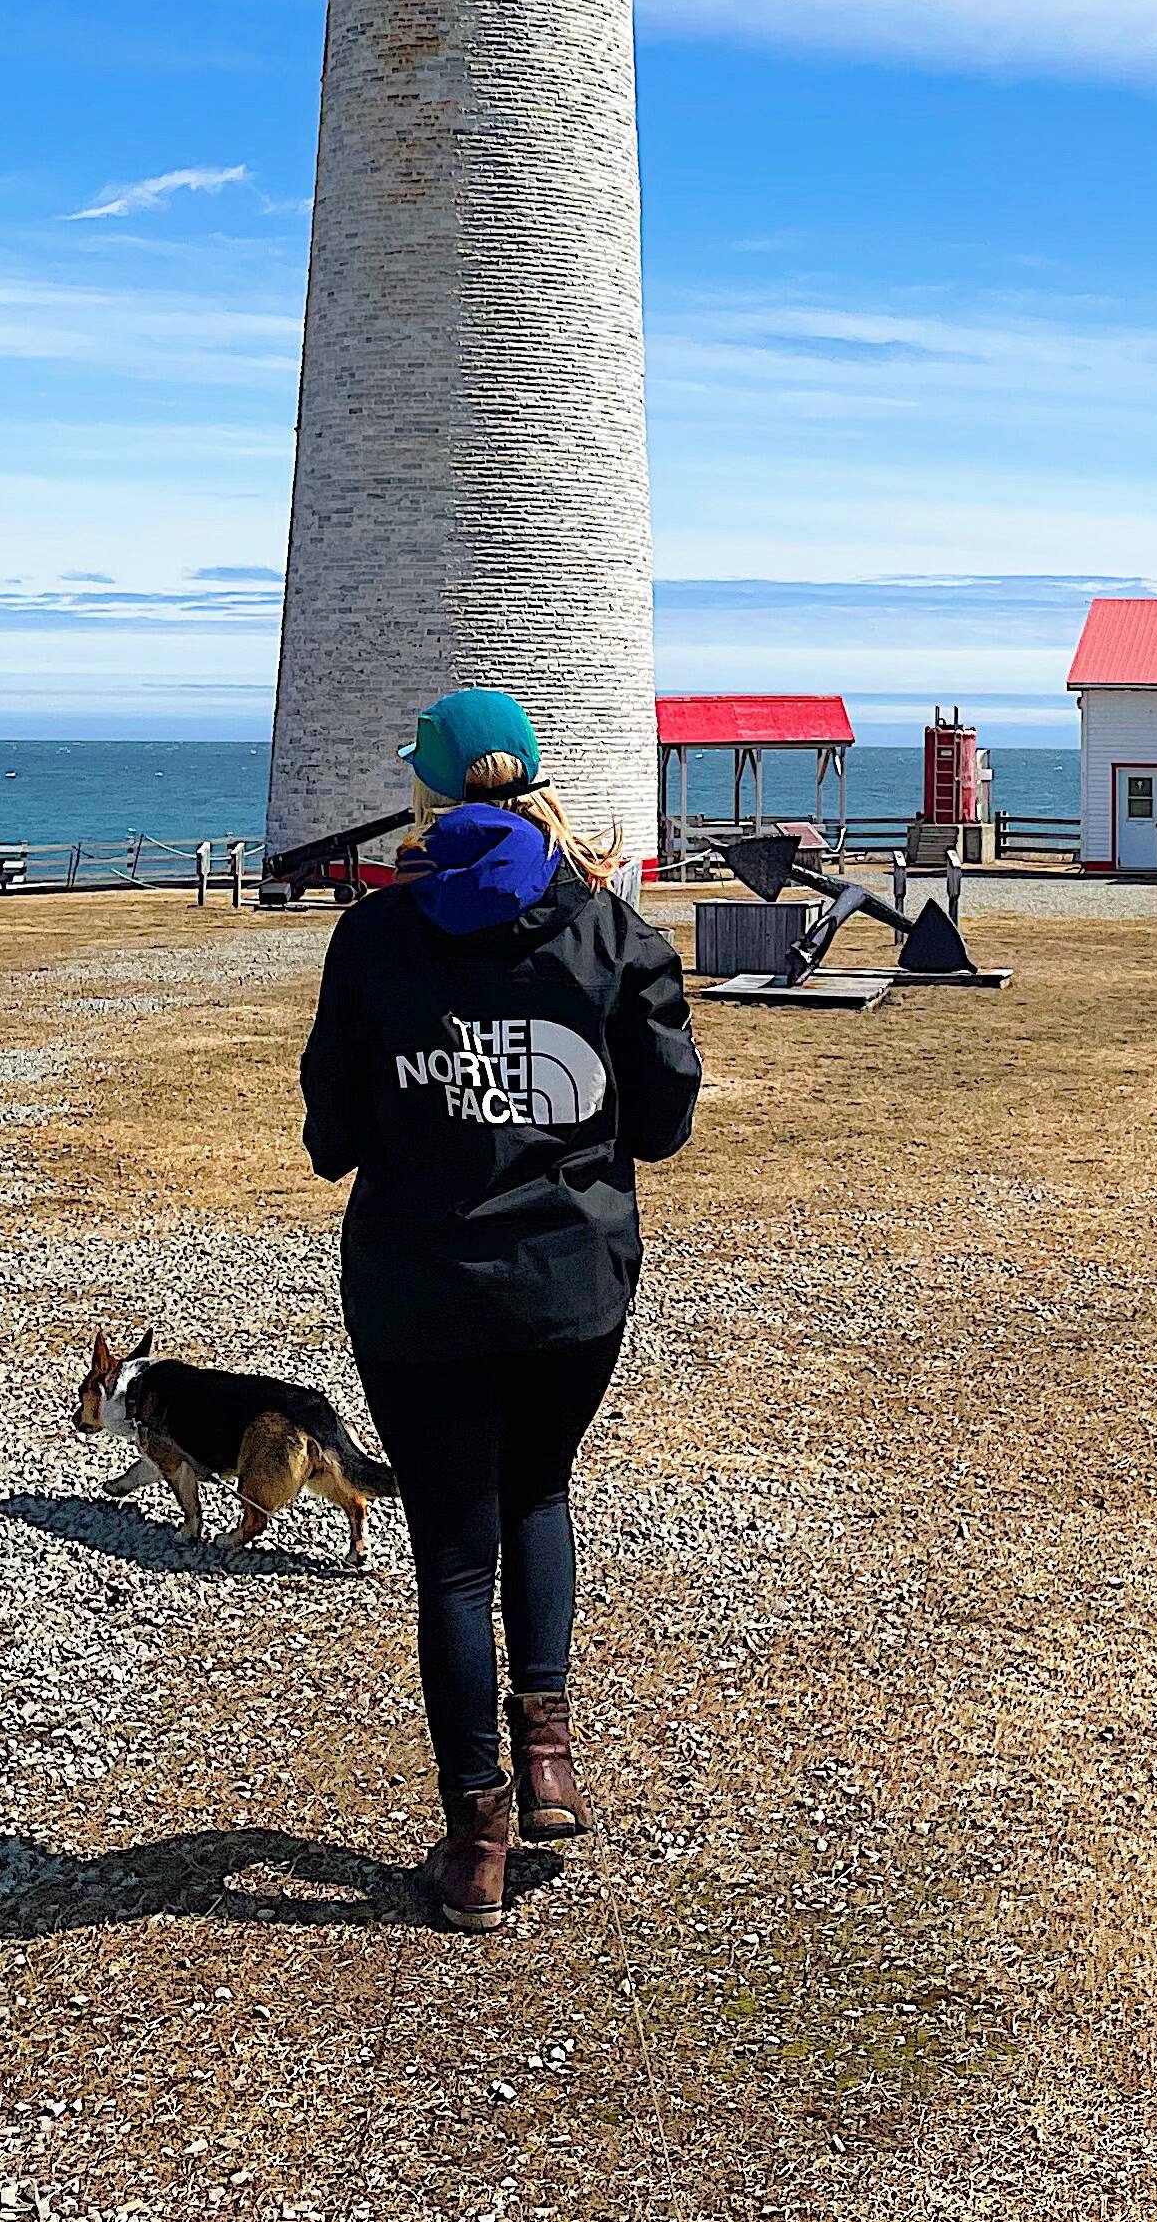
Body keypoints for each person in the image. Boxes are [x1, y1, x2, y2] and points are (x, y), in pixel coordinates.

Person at [299, 684, 701, 1931]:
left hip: (420, 1289)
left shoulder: (375, 939)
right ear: (536, 781)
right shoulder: (611, 930)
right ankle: (548, 1757)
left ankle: (474, 1836)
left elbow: (331, 1135)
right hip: (572, 1288)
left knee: (452, 1553)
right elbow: (669, 1115)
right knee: (538, 1495)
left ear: (422, 795)